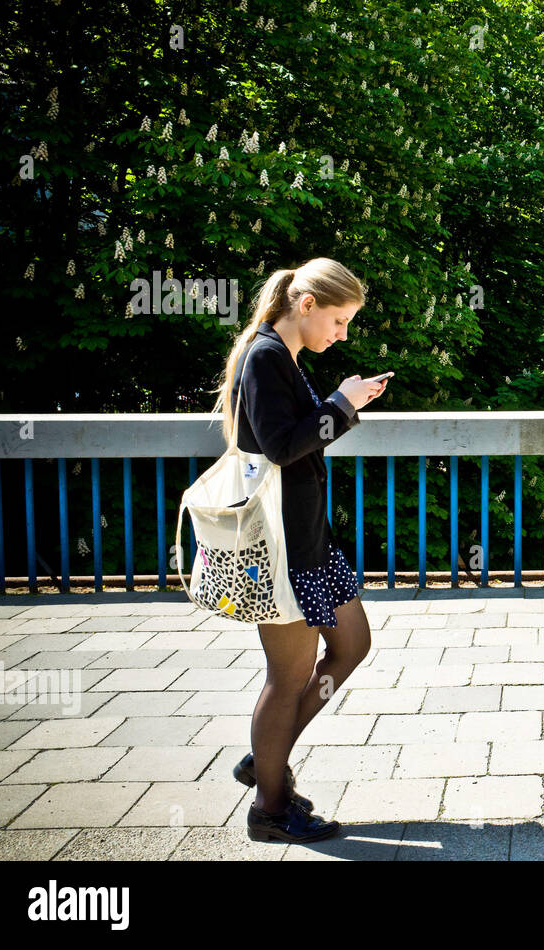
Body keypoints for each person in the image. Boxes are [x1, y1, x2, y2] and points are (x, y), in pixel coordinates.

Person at [210, 257, 389, 842]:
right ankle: (269, 808)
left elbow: (291, 441)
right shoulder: (264, 356)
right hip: (280, 549)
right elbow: (285, 447)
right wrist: (342, 403)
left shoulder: (280, 355)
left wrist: (341, 405)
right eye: (338, 321)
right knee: (287, 679)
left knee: (351, 646)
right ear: (306, 305)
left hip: (308, 540)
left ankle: (266, 754)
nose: (341, 335)